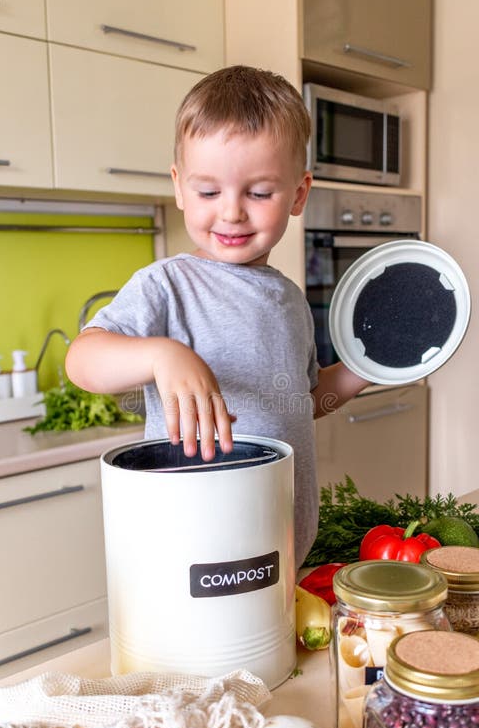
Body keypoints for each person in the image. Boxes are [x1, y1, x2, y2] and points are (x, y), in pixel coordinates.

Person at [66, 65, 369, 567]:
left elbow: (302, 401)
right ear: (180, 188)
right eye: (209, 192)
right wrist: (163, 355)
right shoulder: (167, 285)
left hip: (281, 546)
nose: (231, 212)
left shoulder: (291, 302)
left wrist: (366, 369)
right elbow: (82, 361)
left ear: (297, 195)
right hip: (197, 551)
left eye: (258, 192)